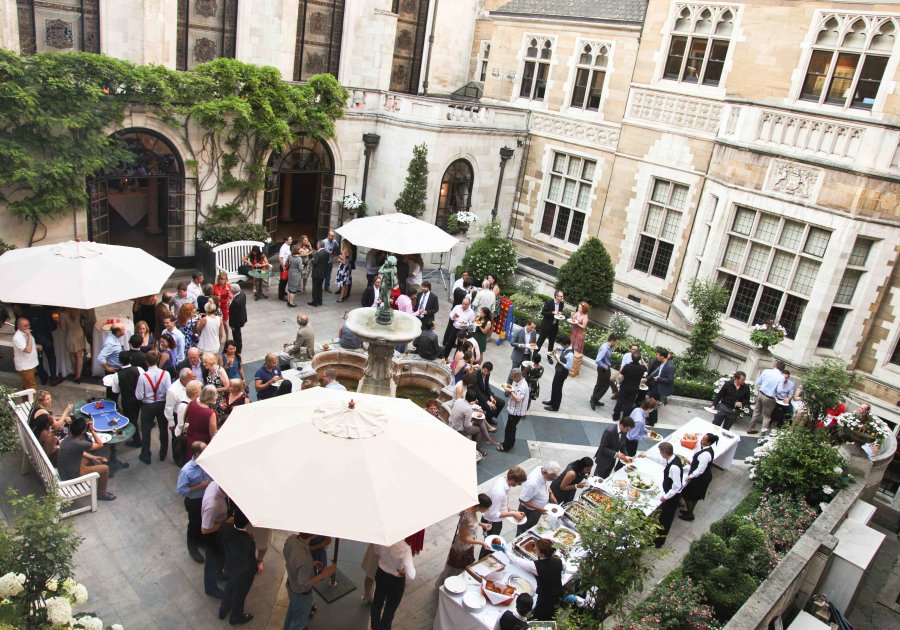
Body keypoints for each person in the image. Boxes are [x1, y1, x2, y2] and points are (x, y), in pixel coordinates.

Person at [434, 493, 492, 587]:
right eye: (486, 508)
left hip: (468, 546)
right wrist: (481, 543)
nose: (487, 510)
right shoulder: (467, 517)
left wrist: (482, 525)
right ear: (480, 506)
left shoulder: (472, 510)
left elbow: (473, 524)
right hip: (461, 548)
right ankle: (449, 585)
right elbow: (464, 537)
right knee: (456, 567)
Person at [283, 532, 338, 630]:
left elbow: (287, 555)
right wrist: (323, 574)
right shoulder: (304, 559)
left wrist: (310, 563)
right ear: (314, 535)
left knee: (292, 613)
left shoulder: (291, 539)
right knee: (299, 623)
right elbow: (304, 585)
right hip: (301, 595)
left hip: (290, 584)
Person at [57, 416, 116, 501]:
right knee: (105, 468)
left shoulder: (67, 438)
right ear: (83, 431)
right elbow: (100, 445)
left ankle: (94, 474)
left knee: (88, 458)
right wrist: (92, 430)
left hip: (64, 470)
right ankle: (101, 493)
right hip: (72, 476)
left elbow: (81, 452)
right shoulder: (80, 443)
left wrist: (94, 457)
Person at [639, 442, 683, 548]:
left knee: (665, 520)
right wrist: (647, 456)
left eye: (660, 452)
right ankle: (657, 537)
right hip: (669, 494)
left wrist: (666, 496)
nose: (660, 454)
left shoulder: (674, 467)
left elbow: (677, 486)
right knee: (663, 518)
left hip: (672, 498)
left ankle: (659, 542)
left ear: (664, 452)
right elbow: (661, 461)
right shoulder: (672, 458)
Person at [507, 538, 564, 620]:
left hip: (545, 598)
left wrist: (506, 551)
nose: (534, 549)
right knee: (553, 610)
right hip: (558, 592)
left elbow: (519, 562)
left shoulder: (537, 566)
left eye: (536, 549)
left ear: (543, 554)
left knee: (542, 615)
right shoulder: (558, 561)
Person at [218, 505, 257, 625]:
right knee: (240, 595)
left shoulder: (224, 527)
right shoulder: (248, 540)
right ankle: (236, 616)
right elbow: (250, 560)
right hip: (242, 574)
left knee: (229, 587)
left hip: (230, 566)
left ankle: (223, 610)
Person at [371, 537, 417, 630]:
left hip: (381, 573)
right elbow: (411, 575)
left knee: (377, 603)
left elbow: (375, 551)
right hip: (396, 580)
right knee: (389, 611)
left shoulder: (382, 538)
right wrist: (403, 573)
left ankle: (375, 627)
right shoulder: (405, 547)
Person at [177, 441, 212, 564]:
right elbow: (181, 490)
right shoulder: (187, 471)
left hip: (207, 498)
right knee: (194, 523)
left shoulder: (208, 463)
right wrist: (200, 486)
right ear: (197, 454)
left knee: (204, 520)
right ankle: (192, 545)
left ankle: (201, 540)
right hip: (194, 501)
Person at [136, 350, 172, 465]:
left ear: (146, 362)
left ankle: (146, 455)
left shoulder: (143, 377)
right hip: (162, 404)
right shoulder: (165, 374)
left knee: (146, 431)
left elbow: (139, 396)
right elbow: (169, 391)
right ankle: (163, 453)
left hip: (148, 405)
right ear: (158, 360)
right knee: (163, 429)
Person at [480, 467, 527, 554]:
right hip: (491, 523)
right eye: (519, 482)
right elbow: (493, 514)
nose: (519, 485)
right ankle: (482, 562)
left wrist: (508, 508)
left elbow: (500, 502)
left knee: (490, 544)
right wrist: (512, 514)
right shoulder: (499, 492)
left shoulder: (502, 480)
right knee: (489, 546)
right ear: (513, 480)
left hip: (494, 521)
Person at [680, 433, 719, 522]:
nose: (702, 440)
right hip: (703, 477)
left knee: (688, 495)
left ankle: (690, 514)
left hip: (700, 479)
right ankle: (690, 511)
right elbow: (699, 463)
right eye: (702, 438)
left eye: (704, 440)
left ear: (709, 443)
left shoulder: (705, 454)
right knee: (695, 496)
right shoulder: (707, 450)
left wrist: (690, 476)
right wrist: (691, 462)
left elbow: (700, 470)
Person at [201, 481, 228, 599]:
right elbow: (205, 529)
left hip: (219, 531)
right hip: (212, 535)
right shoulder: (214, 505)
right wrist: (226, 523)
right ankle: (210, 588)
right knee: (212, 561)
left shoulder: (214, 484)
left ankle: (218, 574)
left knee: (220, 556)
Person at [516, 462, 561, 534]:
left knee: (531, 526)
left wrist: (551, 495)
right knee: (524, 530)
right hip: (529, 511)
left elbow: (547, 484)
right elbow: (522, 499)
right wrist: (539, 509)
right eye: (551, 478)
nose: (553, 479)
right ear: (545, 472)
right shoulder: (533, 483)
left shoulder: (543, 470)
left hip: (536, 510)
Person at [748, 360, 787, 435]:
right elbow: (779, 391)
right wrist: (780, 396)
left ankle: (750, 428)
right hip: (769, 398)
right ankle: (762, 436)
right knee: (767, 417)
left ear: (775, 365)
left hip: (761, 393)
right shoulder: (781, 377)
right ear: (782, 369)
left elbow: (758, 382)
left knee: (756, 412)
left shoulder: (766, 371)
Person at [117, 350, 145, 448]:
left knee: (132, 420)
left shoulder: (118, 375)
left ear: (120, 361)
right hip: (138, 399)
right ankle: (136, 438)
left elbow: (115, 390)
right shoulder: (139, 369)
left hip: (127, 400)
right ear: (130, 359)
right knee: (135, 417)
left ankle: (137, 441)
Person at [165, 368, 194, 456]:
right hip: (178, 416)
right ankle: (177, 457)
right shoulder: (173, 390)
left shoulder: (191, 384)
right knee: (177, 438)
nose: (193, 380)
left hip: (189, 415)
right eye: (190, 379)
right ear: (183, 379)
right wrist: (171, 423)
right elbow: (169, 408)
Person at [612, 347, 647, 422]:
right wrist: (642, 360)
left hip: (625, 386)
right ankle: (624, 419)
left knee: (620, 401)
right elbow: (646, 367)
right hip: (634, 389)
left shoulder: (627, 366)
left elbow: (620, 377)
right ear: (639, 358)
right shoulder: (642, 368)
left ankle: (615, 416)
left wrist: (620, 381)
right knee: (629, 404)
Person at [498, 368, 529, 452]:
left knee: (509, 428)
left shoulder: (522, 386)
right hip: (514, 410)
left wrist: (510, 392)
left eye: (513, 377)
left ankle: (506, 446)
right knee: (512, 428)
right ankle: (509, 442)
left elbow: (518, 399)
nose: (513, 379)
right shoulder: (519, 382)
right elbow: (515, 390)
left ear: (518, 376)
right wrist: (511, 388)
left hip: (516, 412)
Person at [645, 349, 675, 426]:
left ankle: (651, 421)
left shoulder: (670, 366)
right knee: (653, 402)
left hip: (661, 387)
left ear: (662, 356)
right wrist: (647, 378)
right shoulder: (662, 363)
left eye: (657, 354)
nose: (656, 356)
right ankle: (653, 419)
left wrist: (658, 379)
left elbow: (670, 379)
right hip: (657, 385)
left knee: (652, 402)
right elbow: (655, 372)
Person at [543, 336, 573, 412]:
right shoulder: (567, 348)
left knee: (558, 389)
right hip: (559, 371)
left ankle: (555, 406)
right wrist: (556, 348)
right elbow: (561, 348)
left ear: (566, 345)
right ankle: (552, 401)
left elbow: (568, 367)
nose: (561, 346)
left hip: (562, 372)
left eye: (562, 345)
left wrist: (559, 361)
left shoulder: (570, 355)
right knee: (554, 386)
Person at [59, 308, 87, 383]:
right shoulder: (76, 310)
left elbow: (63, 328)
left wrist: (57, 321)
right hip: (79, 333)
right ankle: (79, 375)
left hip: (70, 335)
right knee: (79, 355)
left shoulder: (62, 314)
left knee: (72, 355)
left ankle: (75, 372)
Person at [590, 334, 618, 410]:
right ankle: (593, 399)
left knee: (603, 385)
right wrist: (604, 366)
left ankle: (595, 399)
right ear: (612, 340)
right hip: (604, 369)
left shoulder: (608, 347)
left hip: (605, 368)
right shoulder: (605, 348)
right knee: (601, 385)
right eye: (616, 342)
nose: (616, 344)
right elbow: (598, 360)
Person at [536, 290, 565, 360]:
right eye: (561, 296)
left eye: (562, 296)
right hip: (546, 326)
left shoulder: (561, 303)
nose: (562, 297)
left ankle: (549, 357)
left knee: (551, 343)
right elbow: (543, 312)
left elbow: (560, 311)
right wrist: (552, 312)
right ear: (556, 296)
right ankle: (535, 355)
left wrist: (560, 313)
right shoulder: (549, 302)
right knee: (540, 341)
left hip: (554, 326)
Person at [12, 318, 39, 390]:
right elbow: (28, 350)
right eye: (25, 326)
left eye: (29, 325)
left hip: (30, 364)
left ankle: (25, 401)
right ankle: (31, 401)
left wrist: (37, 346)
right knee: (31, 387)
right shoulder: (18, 337)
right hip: (25, 367)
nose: (28, 327)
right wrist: (29, 336)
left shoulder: (25, 333)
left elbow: (30, 345)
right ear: (18, 326)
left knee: (26, 386)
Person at [308, 240, 330, 307]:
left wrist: (312, 260)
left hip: (316, 273)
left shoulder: (318, 253)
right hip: (322, 273)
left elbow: (315, 263)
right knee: (320, 287)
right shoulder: (327, 253)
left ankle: (314, 302)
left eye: (317, 244)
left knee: (315, 288)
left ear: (319, 245)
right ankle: (320, 301)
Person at [228, 284, 247, 354]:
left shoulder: (235, 302)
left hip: (236, 322)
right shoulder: (242, 294)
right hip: (241, 317)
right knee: (238, 334)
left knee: (236, 335)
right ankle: (238, 347)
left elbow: (233, 315)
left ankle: (238, 349)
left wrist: (231, 325)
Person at [278, 236, 293, 301]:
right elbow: (280, 257)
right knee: (282, 281)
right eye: (290, 239)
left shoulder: (288, 246)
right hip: (284, 266)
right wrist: (283, 267)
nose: (291, 240)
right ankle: (281, 296)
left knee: (285, 280)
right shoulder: (283, 247)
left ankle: (283, 291)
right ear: (286, 241)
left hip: (287, 265)